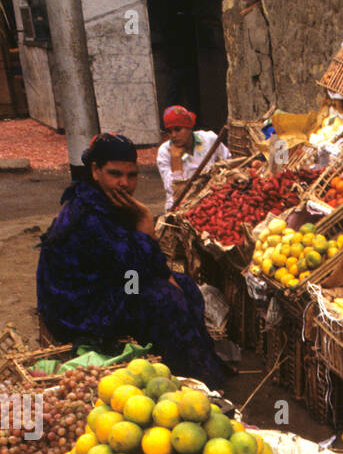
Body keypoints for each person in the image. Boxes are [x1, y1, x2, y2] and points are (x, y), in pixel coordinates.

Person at [36, 132, 226, 386]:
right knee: (164, 299)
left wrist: (165, 275)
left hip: (113, 283)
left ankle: (195, 365)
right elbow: (134, 267)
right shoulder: (88, 213)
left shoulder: (112, 202)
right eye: (115, 174)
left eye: (131, 174)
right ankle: (186, 378)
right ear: (95, 171)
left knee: (186, 286)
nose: (125, 182)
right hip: (80, 307)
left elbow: (137, 267)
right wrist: (145, 222)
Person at [156, 105, 229, 213]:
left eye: (178, 129)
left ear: (189, 127)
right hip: (180, 206)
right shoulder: (165, 151)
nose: (173, 135)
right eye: (169, 131)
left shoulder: (209, 139)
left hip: (211, 200)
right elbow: (173, 192)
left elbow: (229, 162)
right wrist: (176, 161)